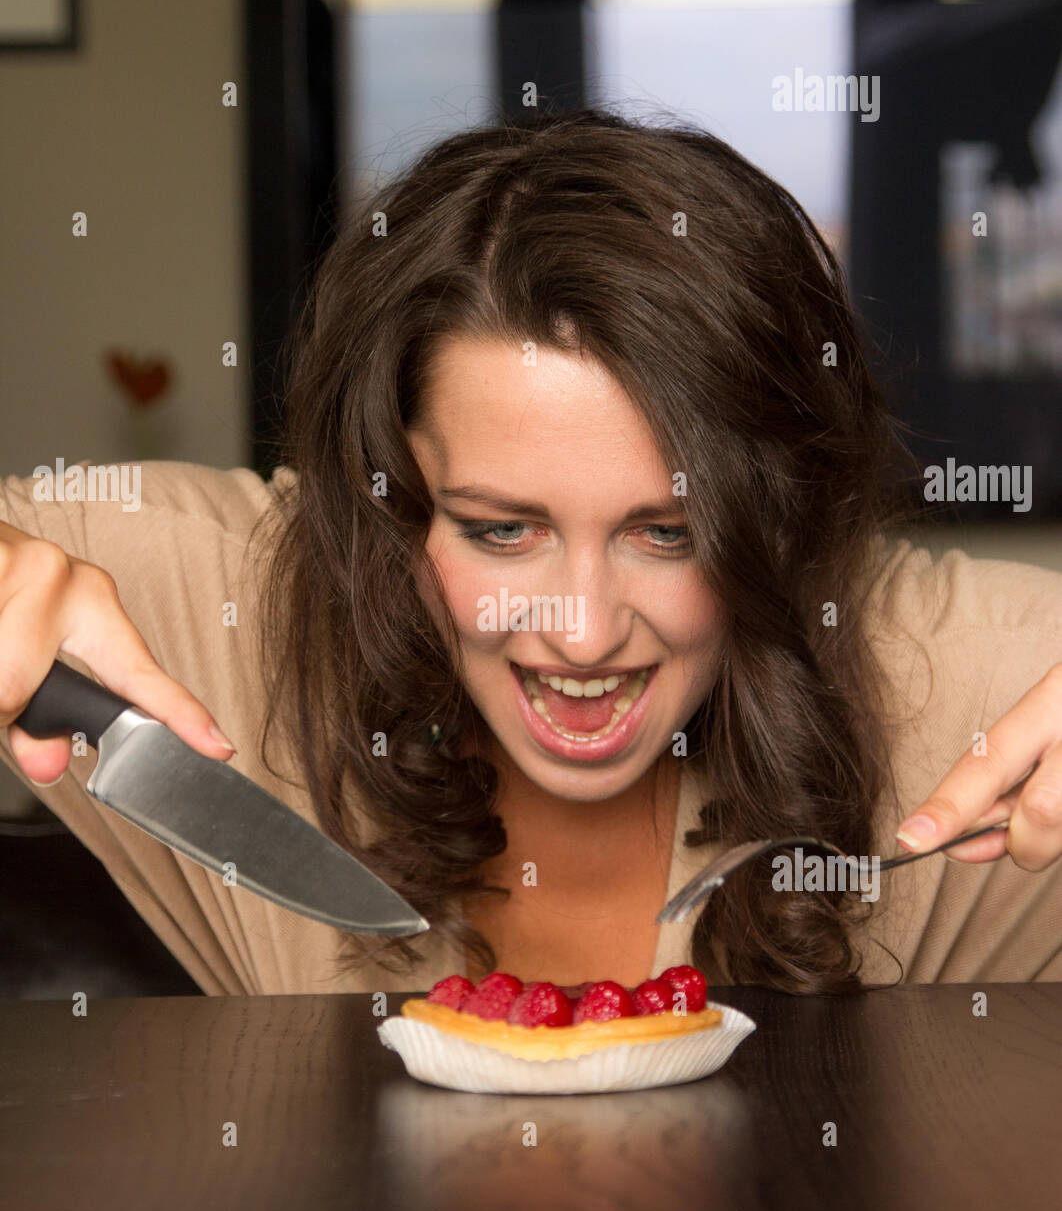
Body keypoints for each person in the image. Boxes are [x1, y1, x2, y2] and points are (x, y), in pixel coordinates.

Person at [2, 108, 1061, 997]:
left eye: (670, 532)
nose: (585, 630)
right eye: (500, 529)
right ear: (391, 490)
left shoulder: (956, 669)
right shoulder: (202, 599)